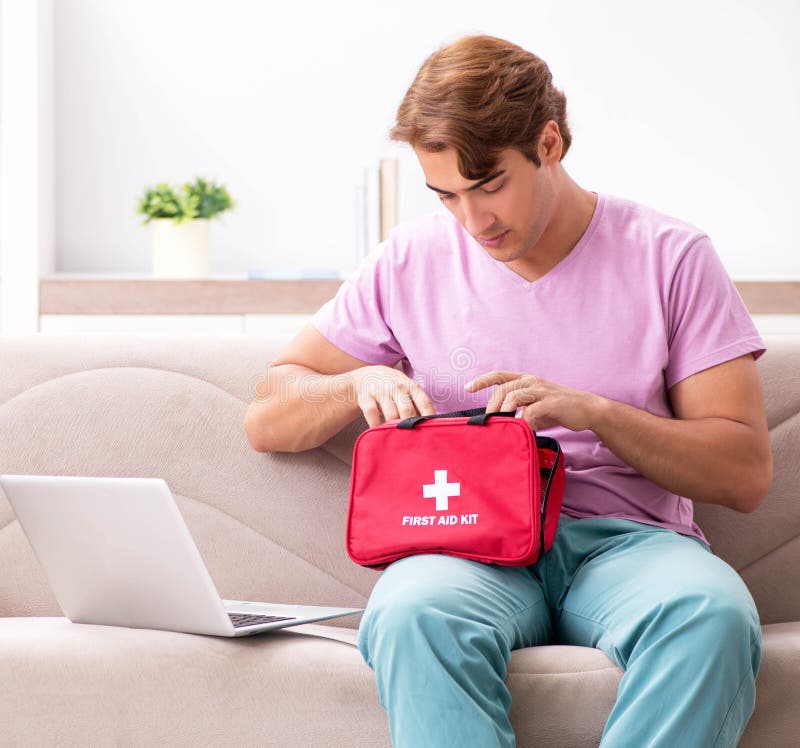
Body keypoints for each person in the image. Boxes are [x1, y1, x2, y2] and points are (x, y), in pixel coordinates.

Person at [244, 35, 773, 748]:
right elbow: (268, 411)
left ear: (548, 143)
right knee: (408, 613)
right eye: (447, 195)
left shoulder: (670, 257)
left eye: (489, 184)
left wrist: (596, 413)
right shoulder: (411, 260)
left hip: (630, 547)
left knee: (711, 617)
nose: (473, 222)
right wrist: (356, 382)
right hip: (469, 548)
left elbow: (743, 473)